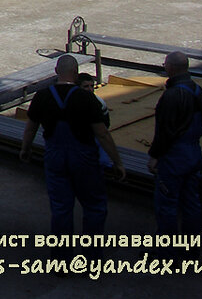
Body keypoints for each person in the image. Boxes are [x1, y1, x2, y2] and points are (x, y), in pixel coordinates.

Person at [20, 55, 126, 235]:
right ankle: (92, 258)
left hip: (55, 158)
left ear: (56, 71)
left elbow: (30, 129)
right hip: (84, 159)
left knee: (61, 210)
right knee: (94, 207)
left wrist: (25, 149)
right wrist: (117, 162)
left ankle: (61, 258)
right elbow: (102, 134)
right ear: (76, 74)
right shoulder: (87, 99)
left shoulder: (42, 96)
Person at [148, 51, 202, 233]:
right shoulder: (199, 92)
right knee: (192, 204)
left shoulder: (171, 96)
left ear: (171, 68)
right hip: (193, 154)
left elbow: (164, 132)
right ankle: (191, 252)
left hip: (174, 159)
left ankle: (167, 255)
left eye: (165, 65)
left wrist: (154, 156)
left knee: (167, 207)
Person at [77, 73, 113, 170]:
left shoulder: (100, 102)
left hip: (94, 137)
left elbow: (106, 125)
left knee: (104, 162)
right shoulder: (72, 102)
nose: (90, 89)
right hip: (77, 139)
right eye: (86, 86)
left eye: (92, 86)